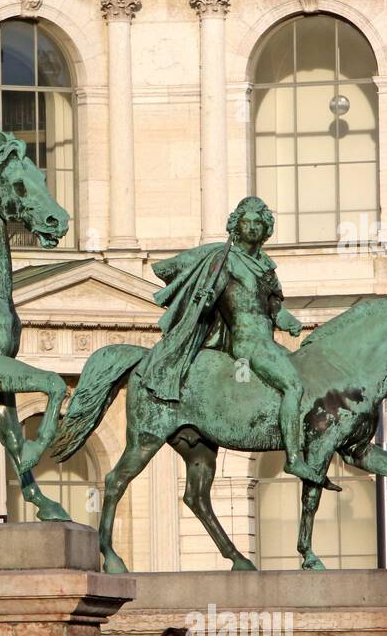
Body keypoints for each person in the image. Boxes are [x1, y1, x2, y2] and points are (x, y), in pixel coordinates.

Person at [137, 196, 327, 487]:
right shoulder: (225, 260)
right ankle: (293, 460)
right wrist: (205, 299)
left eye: (258, 223)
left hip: (268, 342)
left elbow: (274, 307)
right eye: (246, 222)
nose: (252, 227)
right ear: (236, 227)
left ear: (266, 230)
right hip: (247, 344)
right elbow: (208, 296)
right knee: (293, 385)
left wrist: (285, 318)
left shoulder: (266, 267)